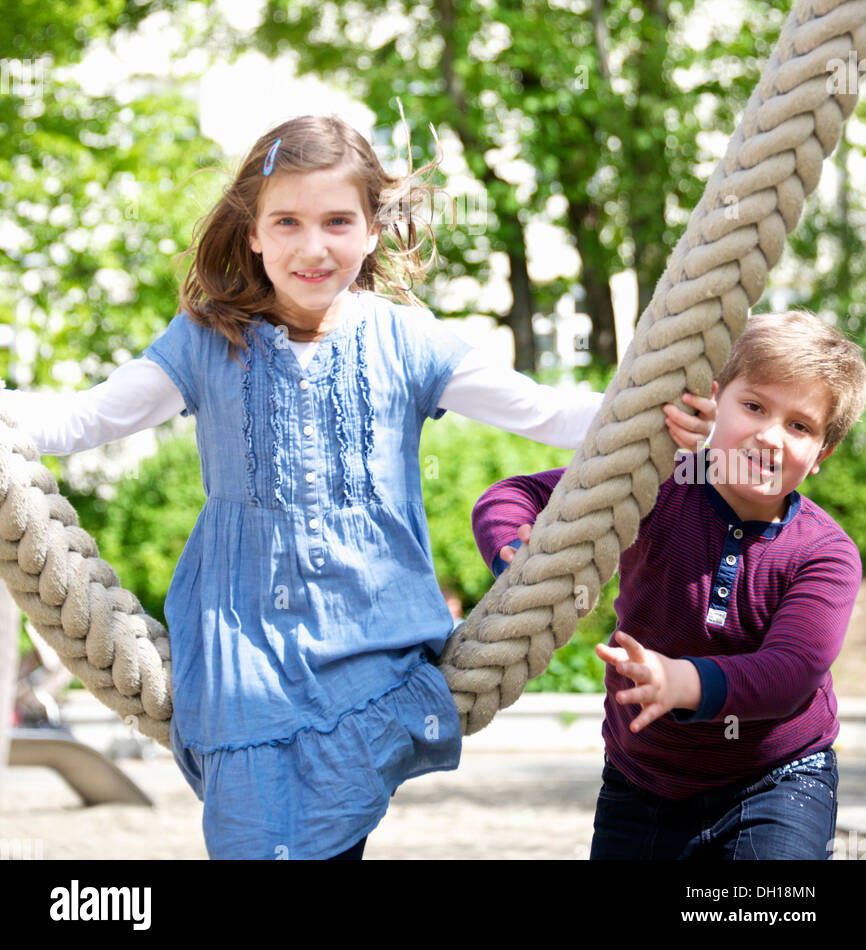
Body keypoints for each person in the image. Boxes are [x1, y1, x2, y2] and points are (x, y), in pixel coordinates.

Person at [0, 114, 713, 861]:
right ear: (253, 233)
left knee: (332, 829)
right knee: (254, 835)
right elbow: (84, 419)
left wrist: (645, 412)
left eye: (339, 221)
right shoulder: (205, 339)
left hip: (372, 636)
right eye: (288, 222)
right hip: (244, 640)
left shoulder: (408, 340)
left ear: (373, 229)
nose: (314, 247)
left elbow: (537, 408)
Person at [472, 310, 866, 861]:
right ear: (712, 401)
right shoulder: (657, 484)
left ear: (821, 455)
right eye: (753, 406)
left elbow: (792, 672)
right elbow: (515, 495)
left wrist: (684, 682)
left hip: (777, 779)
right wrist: (520, 551)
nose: (770, 436)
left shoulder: (824, 553)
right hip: (643, 779)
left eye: (799, 426)